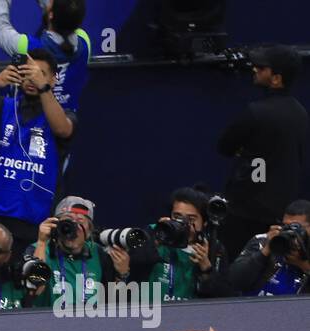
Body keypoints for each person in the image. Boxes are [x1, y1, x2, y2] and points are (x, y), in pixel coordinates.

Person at [0, 50, 74, 258]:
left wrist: (43, 88)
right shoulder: (3, 107)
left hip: (32, 220)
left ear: (54, 79)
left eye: (40, 73)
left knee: (25, 280)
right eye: (27, 72)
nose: (32, 78)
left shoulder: (62, 115)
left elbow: (63, 129)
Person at [217, 46, 308, 260]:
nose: (255, 69)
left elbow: (224, 147)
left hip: (244, 212)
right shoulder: (301, 114)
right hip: (279, 213)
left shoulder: (255, 112)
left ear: (276, 78)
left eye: (262, 67)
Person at [127, 187, 230, 302]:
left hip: (191, 317)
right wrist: (156, 242)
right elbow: (131, 265)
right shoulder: (154, 233)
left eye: (191, 219)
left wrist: (206, 269)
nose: (184, 224)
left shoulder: (214, 248)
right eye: (177, 217)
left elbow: (225, 298)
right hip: (150, 313)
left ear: (204, 222)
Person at [0, 1, 91, 113]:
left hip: (25, 125)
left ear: (51, 14)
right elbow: (59, 16)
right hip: (65, 121)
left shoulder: (26, 46)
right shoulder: (85, 42)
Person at [29, 195, 130, 308]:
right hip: (46, 322)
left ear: (89, 231)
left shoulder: (99, 254)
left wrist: (121, 275)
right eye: (68, 221)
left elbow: (111, 304)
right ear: (55, 226)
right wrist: (42, 243)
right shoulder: (38, 249)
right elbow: (34, 290)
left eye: (80, 221)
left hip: (89, 323)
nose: (74, 227)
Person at [227, 199, 310, 296]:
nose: (291, 232)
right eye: (286, 226)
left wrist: (304, 266)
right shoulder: (263, 241)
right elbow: (234, 281)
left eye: (296, 227)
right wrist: (266, 250)